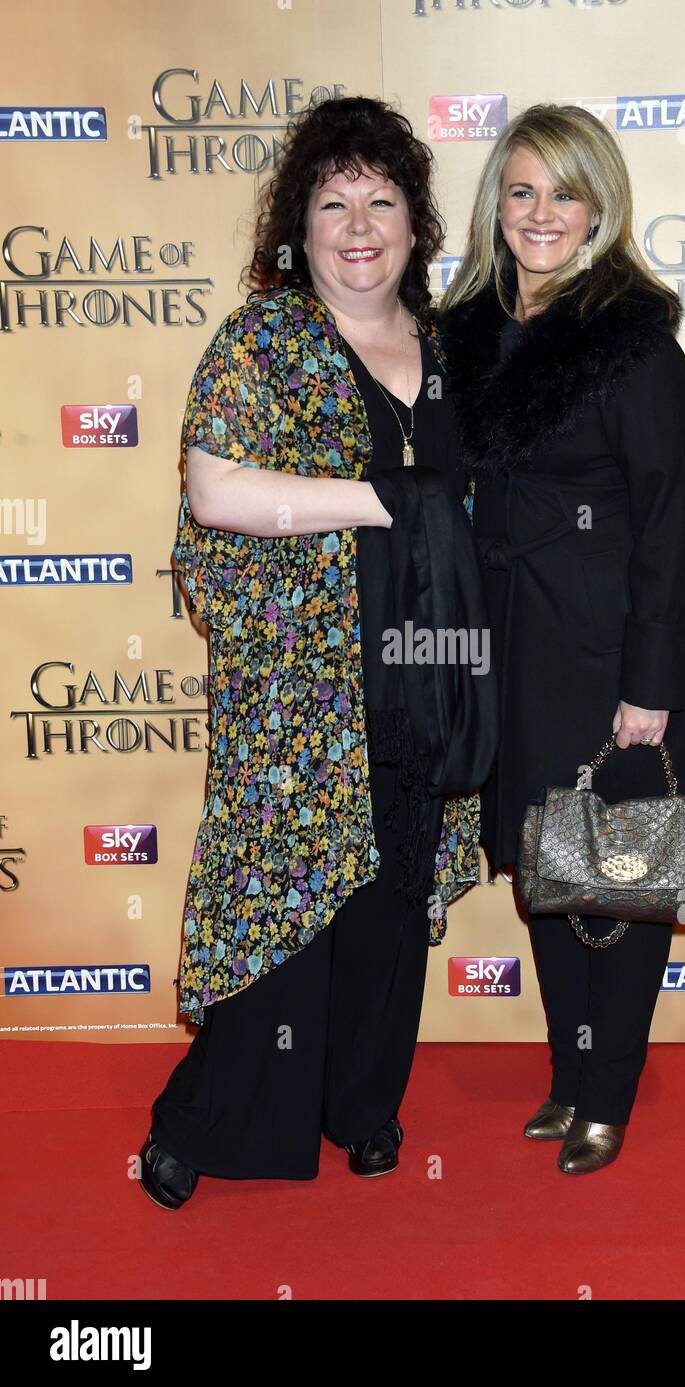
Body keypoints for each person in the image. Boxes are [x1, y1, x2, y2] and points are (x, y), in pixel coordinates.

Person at [139, 96, 492, 1209]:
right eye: (333, 201)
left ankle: (363, 1105)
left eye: (381, 199)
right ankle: (210, 1120)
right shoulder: (264, 340)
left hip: (424, 673)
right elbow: (216, 489)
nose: (358, 223)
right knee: (284, 903)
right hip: (303, 690)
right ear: (299, 225)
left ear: (414, 223)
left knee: (392, 895)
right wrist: (380, 501)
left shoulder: (444, 348)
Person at [439, 103, 685, 1175]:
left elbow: (668, 518)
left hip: (612, 646)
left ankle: (609, 1093)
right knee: (548, 867)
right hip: (514, 645)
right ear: (496, 205)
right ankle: (570, 1075)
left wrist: (649, 684)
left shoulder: (632, 343)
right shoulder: (467, 331)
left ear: (600, 206)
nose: (540, 213)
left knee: (624, 869)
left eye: (564, 191)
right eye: (521, 190)